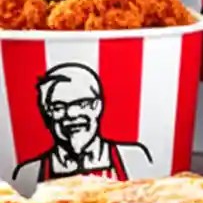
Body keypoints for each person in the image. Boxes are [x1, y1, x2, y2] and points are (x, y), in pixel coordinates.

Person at [12, 64, 151, 185]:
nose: (72, 114)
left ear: (97, 106)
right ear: (48, 112)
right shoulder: (29, 172)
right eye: (59, 107)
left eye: (82, 104)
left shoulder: (133, 158)